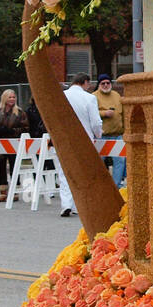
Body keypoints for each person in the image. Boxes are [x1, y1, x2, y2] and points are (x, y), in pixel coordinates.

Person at [58, 73, 104, 218]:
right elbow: (96, 122)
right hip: (84, 140)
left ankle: (66, 204)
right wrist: (98, 134)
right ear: (85, 82)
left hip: (64, 139)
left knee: (65, 172)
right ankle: (81, 205)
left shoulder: (62, 96)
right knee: (83, 173)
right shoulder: (89, 98)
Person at [0, 90, 29, 202]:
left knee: (14, 166)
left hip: (14, 143)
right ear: (4, 98)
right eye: (10, 97)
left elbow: (26, 128)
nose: (12, 99)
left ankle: (15, 191)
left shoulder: (20, 112)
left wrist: (12, 131)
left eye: (14, 97)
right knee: (1, 167)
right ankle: (3, 191)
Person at [93, 74, 125, 187]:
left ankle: (116, 186)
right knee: (99, 162)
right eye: (103, 83)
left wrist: (125, 129)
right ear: (99, 85)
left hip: (117, 134)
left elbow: (123, 114)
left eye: (108, 83)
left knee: (120, 162)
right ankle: (100, 185)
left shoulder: (116, 95)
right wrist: (104, 113)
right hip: (101, 135)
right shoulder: (93, 97)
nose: (106, 85)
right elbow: (91, 114)